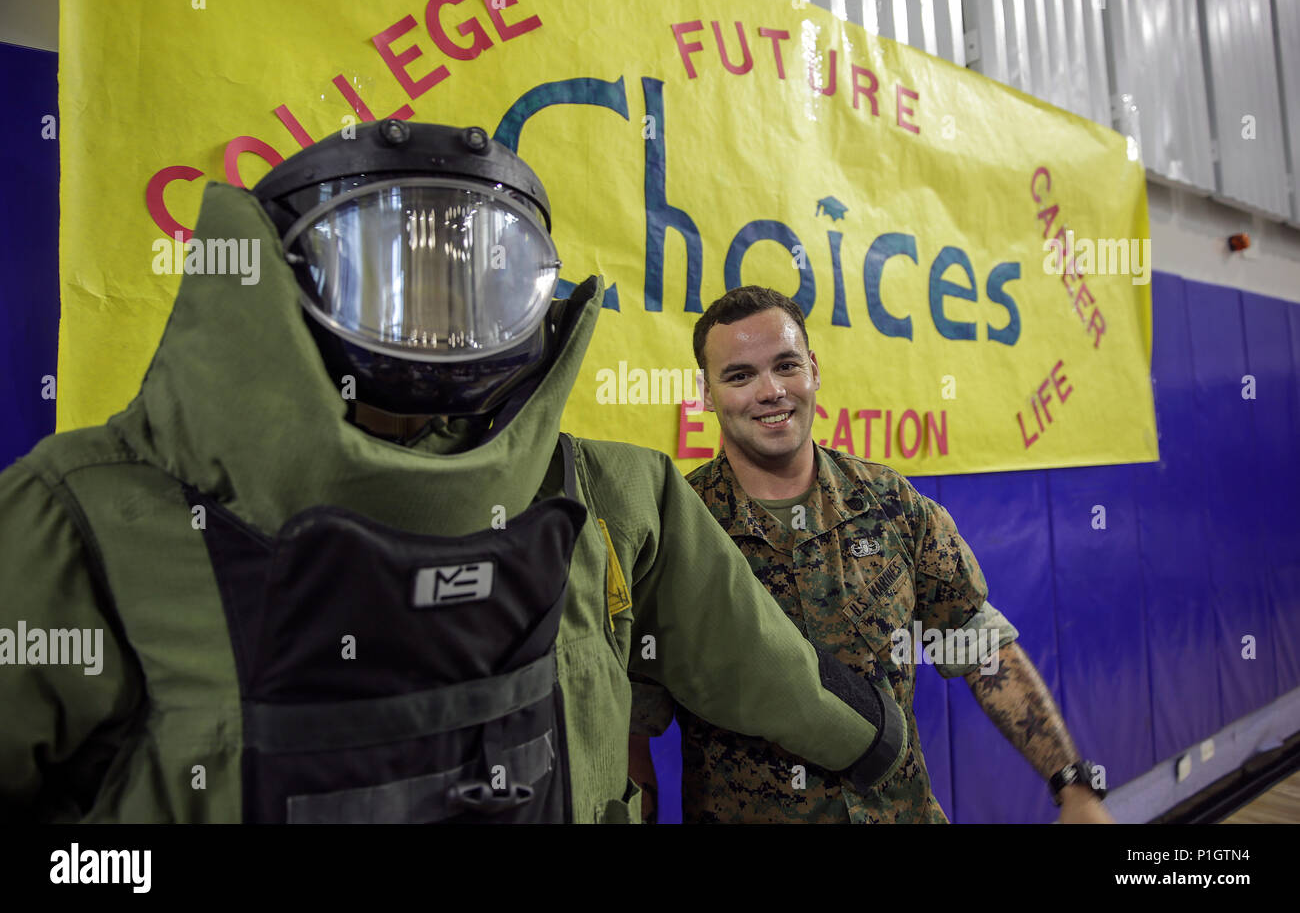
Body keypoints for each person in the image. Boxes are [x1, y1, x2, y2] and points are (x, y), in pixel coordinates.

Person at [0, 121, 909, 823]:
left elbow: (749, 655)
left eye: (480, 278)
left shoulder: (614, 492)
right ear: (286, 279)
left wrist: (861, 731)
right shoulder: (83, 518)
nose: (433, 319)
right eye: (382, 274)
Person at [629, 285, 1114, 823]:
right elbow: (631, 723)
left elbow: (979, 645)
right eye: (740, 376)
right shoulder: (677, 531)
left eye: (786, 365)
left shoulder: (892, 505)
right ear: (705, 392)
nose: (770, 391)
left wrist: (1073, 786)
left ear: (813, 369)